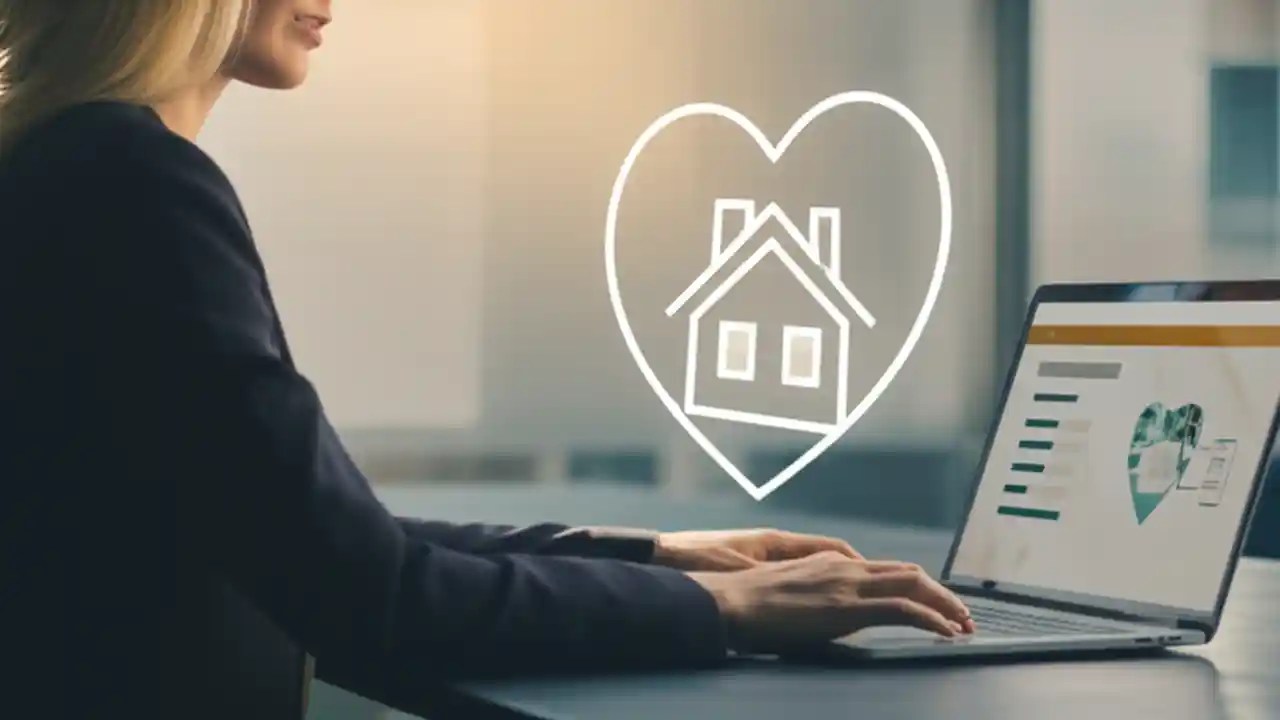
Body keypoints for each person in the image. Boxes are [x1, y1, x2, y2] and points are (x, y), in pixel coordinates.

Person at [0, 1, 974, 717]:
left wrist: (647, 554)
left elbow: (311, 534)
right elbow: (366, 597)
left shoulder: (60, 165)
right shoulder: (132, 188)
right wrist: (717, 608)